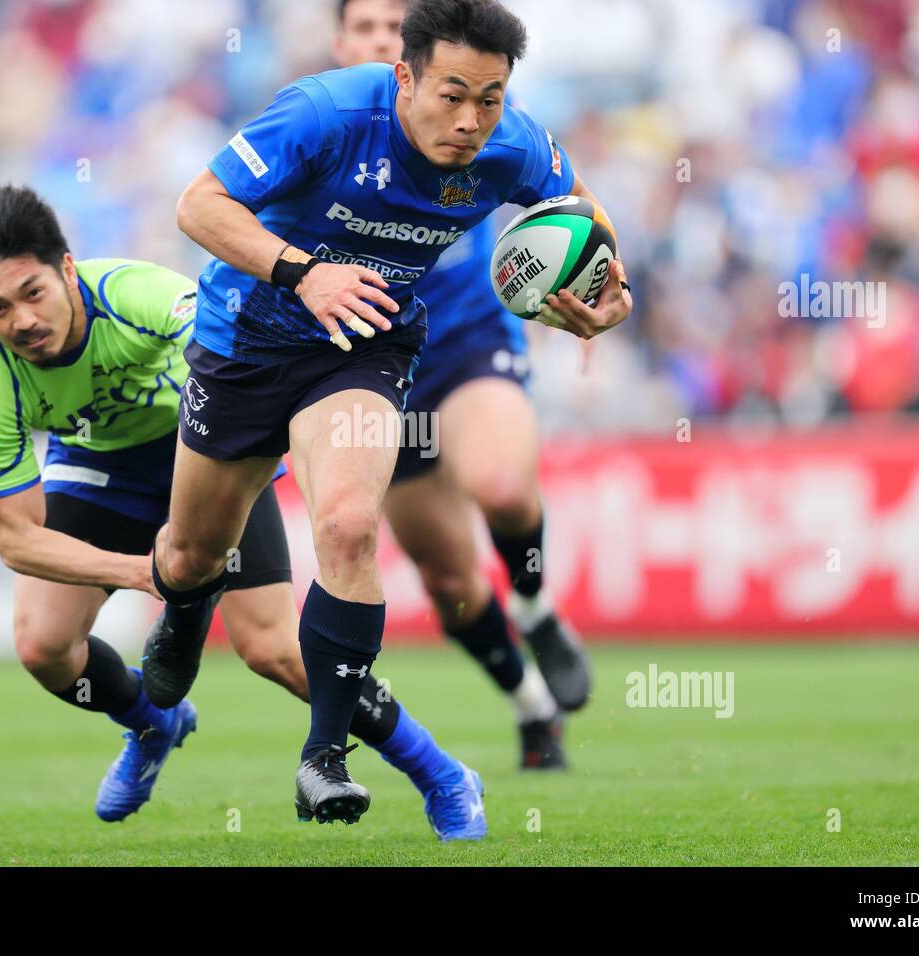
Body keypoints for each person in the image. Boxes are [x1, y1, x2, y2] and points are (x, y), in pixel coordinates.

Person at [148, 0, 632, 825]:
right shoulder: (325, 112)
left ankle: (323, 759)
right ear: (403, 77)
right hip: (246, 344)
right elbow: (198, 206)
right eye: (452, 95)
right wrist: (303, 272)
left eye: (490, 98)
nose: (472, 121)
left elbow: (584, 212)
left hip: (367, 343)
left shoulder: (512, 142)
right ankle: (186, 606)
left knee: (345, 524)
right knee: (193, 553)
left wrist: (608, 291)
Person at [0, 184, 490, 839]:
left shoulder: (144, 299)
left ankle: (443, 775)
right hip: (100, 471)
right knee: (43, 646)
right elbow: (16, 539)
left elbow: (246, 358)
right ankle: (153, 722)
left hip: (207, 458)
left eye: (32, 293)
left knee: (278, 653)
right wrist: (152, 574)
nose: (21, 322)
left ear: (66, 269)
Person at [332, 0, 591, 773]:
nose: (382, 41)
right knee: (447, 579)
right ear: (342, 44)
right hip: (373, 368)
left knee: (504, 488)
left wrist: (603, 284)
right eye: (366, 29)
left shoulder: (479, 119)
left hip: (471, 338)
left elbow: (570, 206)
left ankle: (538, 610)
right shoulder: (317, 127)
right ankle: (531, 707)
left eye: (393, 27)